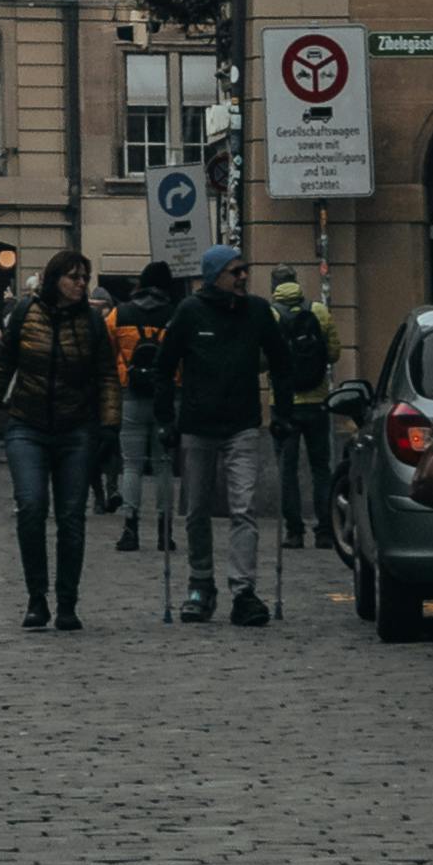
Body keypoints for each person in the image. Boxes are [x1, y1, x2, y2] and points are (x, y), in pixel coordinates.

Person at [0, 254, 120, 633]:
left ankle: (68, 602)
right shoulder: (27, 313)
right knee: (31, 505)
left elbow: (106, 375)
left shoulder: (92, 322)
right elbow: (4, 364)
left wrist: (109, 426)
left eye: (84, 278)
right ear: (55, 279)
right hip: (27, 424)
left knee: (72, 517)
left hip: (77, 429)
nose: (80, 284)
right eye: (73, 277)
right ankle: (37, 597)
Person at [168, 249, 278, 624]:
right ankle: (200, 583)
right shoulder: (189, 311)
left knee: (244, 509)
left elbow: (281, 360)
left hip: (242, 424)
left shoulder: (259, 312)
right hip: (198, 426)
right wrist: (166, 419)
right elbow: (166, 364)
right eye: (236, 271)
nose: (244, 276)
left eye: (245, 269)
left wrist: (285, 414)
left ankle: (244, 590)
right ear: (216, 275)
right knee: (196, 509)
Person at [261, 273, 334, 544]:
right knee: (321, 468)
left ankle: (294, 531)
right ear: (297, 282)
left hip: (284, 404)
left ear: (274, 286)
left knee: (287, 469)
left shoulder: (271, 315)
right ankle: (326, 530)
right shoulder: (319, 311)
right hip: (318, 401)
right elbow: (334, 353)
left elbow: (263, 360)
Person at [114, 267, 181, 556]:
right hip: (169, 397)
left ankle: (130, 528)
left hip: (131, 393)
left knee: (132, 465)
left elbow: (106, 350)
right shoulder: (177, 314)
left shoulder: (120, 314)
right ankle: (165, 532)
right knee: (164, 464)